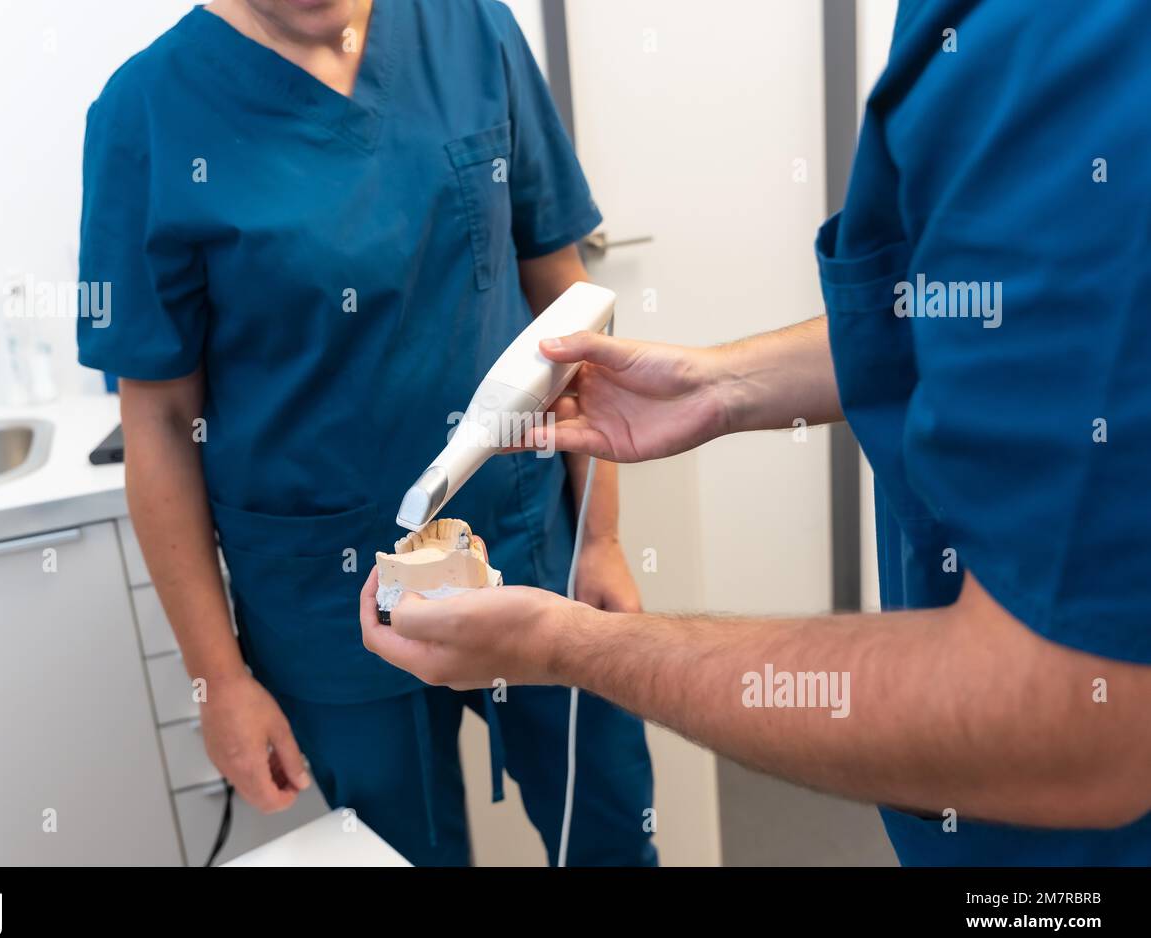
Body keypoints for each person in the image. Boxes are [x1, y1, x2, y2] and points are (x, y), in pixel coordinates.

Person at [362, 0, 1151, 865]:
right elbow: (996, 327)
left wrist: (568, 647)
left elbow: (1063, 711)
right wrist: (723, 385)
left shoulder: (1067, 45)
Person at [77, 0, 656, 867]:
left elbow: (564, 294)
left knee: (612, 833)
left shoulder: (471, 30)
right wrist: (221, 682)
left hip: (534, 548)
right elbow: (158, 421)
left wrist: (601, 536)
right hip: (325, 598)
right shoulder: (150, 112)